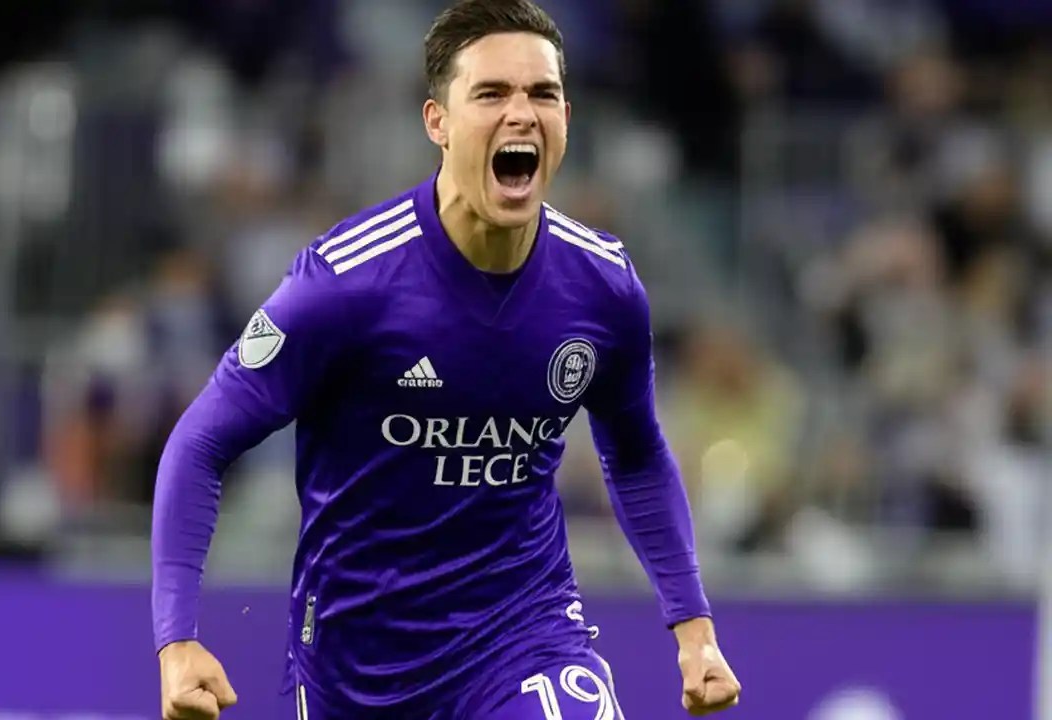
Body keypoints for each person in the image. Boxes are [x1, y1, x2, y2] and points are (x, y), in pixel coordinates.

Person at [151, 1, 742, 717]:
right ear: (438, 121)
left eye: (542, 94)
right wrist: (176, 639)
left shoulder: (603, 286)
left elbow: (638, 453)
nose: (521, 114)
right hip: (357, 665)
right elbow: (200, 442)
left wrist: (693, 627)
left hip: (523, 634)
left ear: (565, 118)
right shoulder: (345, 284)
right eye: (491, 94)